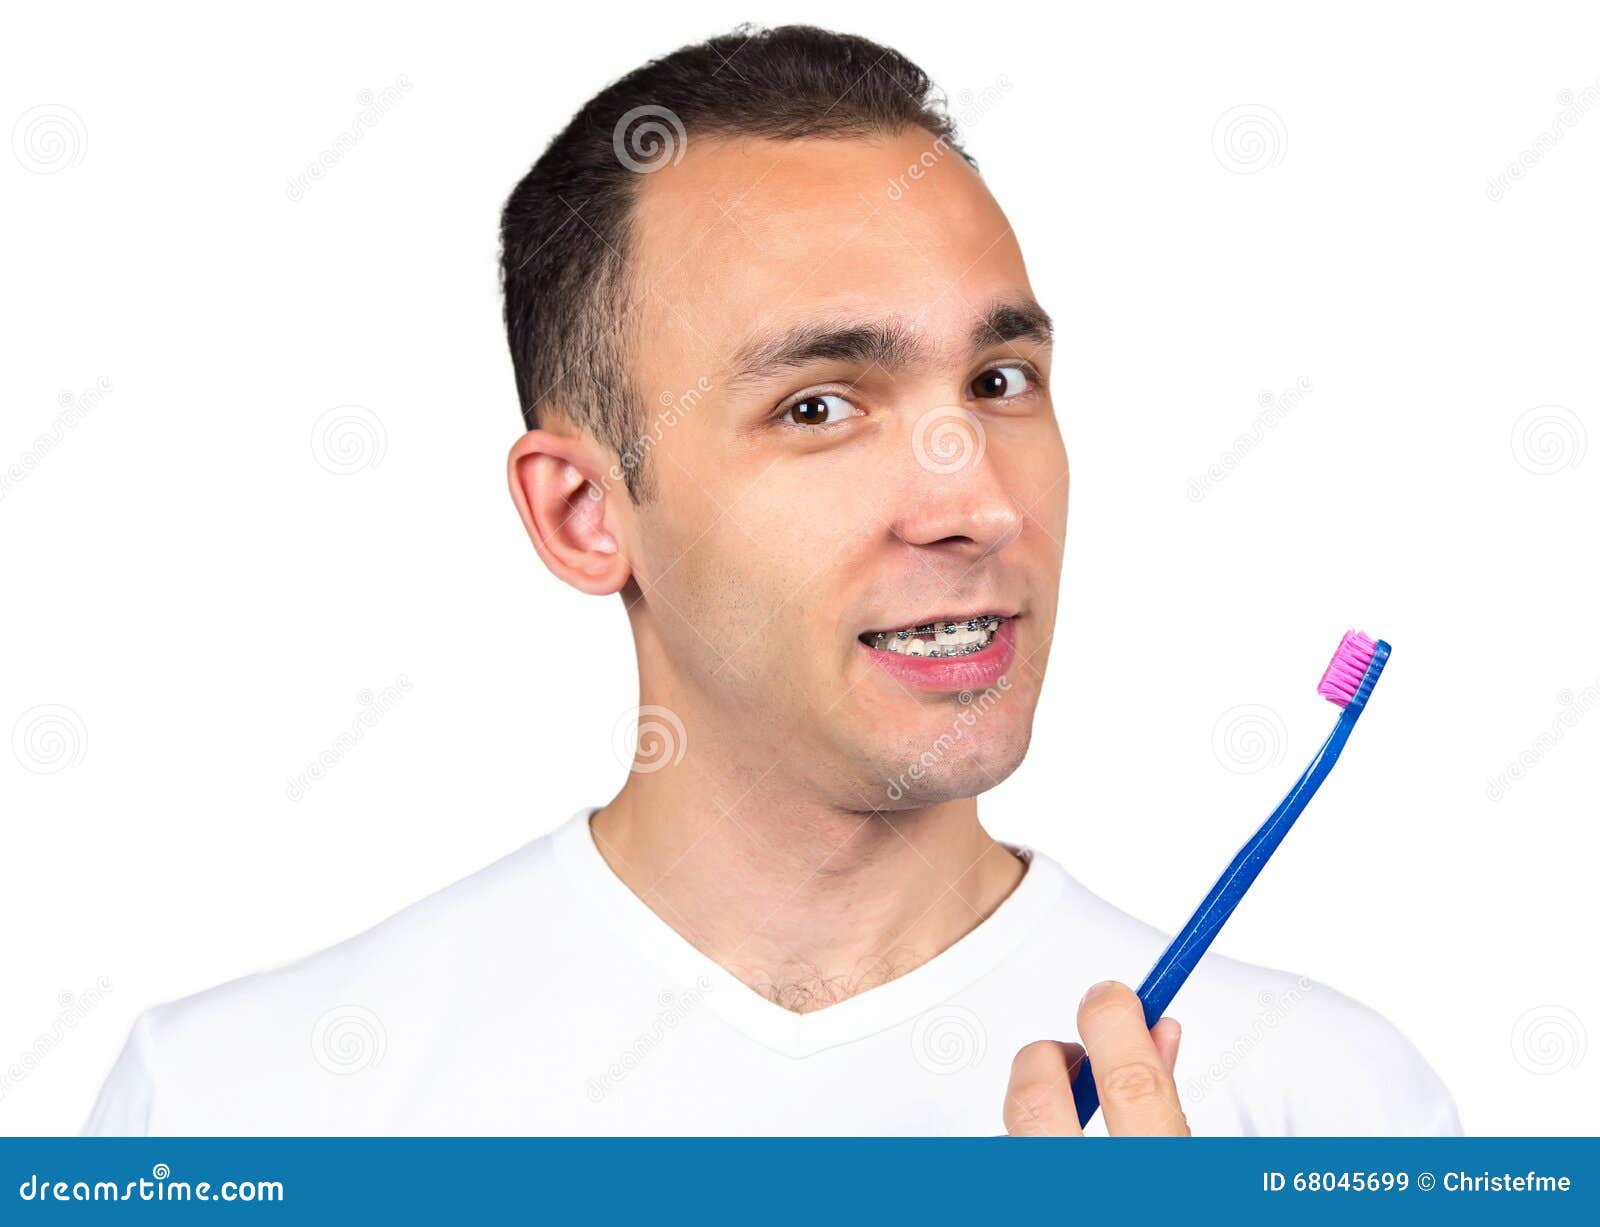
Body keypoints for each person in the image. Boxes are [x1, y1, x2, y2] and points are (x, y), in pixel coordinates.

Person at [86, 24, 1459, 1137]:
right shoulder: (234, 1118)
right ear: (582, 516)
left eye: (1000, 381)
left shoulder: (1331, 1112)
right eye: (819, 407)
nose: (975, 499)